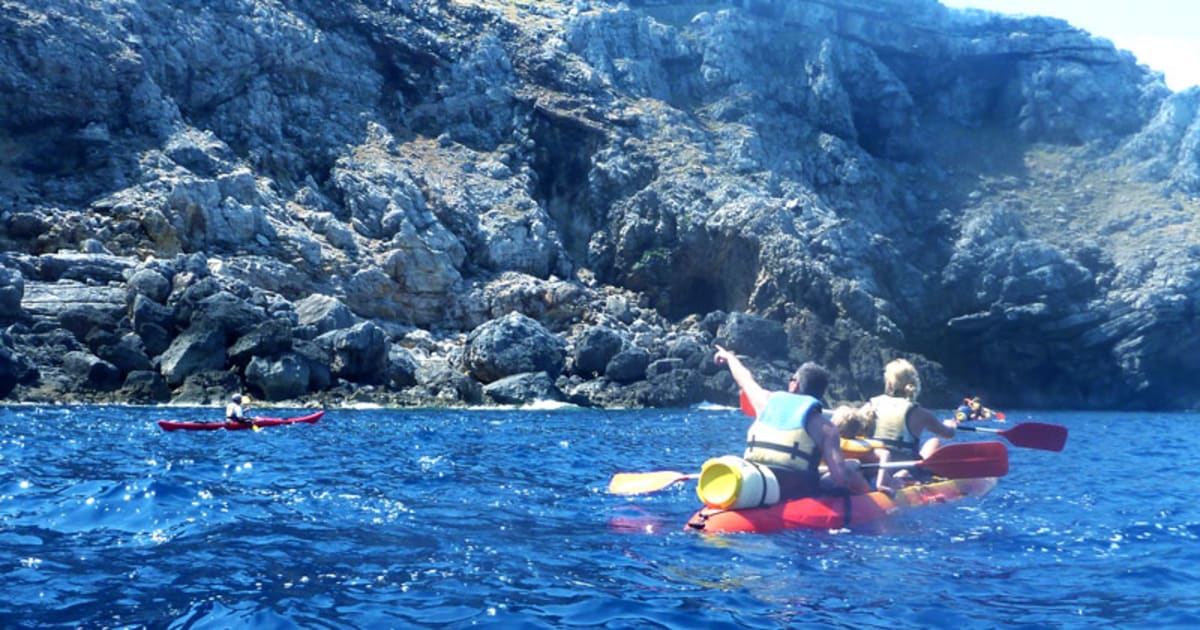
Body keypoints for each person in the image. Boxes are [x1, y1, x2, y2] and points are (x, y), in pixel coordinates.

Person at [713, 345, 870, 498]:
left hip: (756, 482)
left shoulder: (765, 402)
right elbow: (840, 478)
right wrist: (853, 471)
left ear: (795, 384)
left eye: (792, 379)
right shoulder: (826, 428)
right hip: (796, 491)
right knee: (852, 467)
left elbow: (744, 378)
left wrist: (729, 357)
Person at [866, 359, 956, 493]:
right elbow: (948, 434)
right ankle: (903, 475)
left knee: (933, 441)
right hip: (904, 464)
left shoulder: (871, 405)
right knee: (935, 442)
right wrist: (951, 425)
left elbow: (852, 423)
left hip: (875, 464)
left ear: (889, 384)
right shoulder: (919, 413)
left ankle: (893, 476)